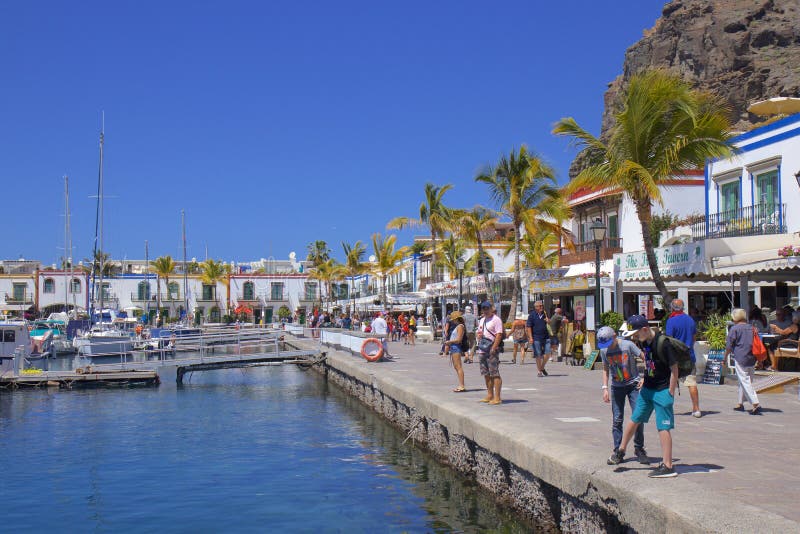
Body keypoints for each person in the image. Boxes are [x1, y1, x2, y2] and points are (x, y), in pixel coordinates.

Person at [608, 315, 678, 478]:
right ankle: (621, 451)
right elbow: (649, 363)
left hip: (662, 390)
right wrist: (645, 378)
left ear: (645, 329)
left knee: (663, 426)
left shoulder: (663, 343)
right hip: (648, 389)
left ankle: (668, 465)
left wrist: (671, 391)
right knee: (635, 418)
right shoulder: (644, 341)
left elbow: (674, 368)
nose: (634, 338)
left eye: (636, 334)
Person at [597, 326, 648, 465]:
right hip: (616, 387)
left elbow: (645, 357)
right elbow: (605, 368)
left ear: (614, 336)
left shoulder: (628, 345)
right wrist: (605, 388)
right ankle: (618, 450)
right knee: (617, 419)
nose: (607, 346)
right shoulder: (604, 350)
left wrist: (645, 377)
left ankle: (639, 448)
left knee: (638, 416)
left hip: (633, 385)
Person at [665, 299, 701, 418]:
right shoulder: (690, 320)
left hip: (675, 357)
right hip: (689, 356)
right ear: (683, 307)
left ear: (672, 307)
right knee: (692, 383)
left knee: (671, 383)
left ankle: (668, 409)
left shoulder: (671, 321)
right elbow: (694, 337)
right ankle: (696, 409)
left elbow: (668, 340)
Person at [727, 308, 762, 415]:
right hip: (752, 357)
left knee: (745, 381)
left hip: (740, 357)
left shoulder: (734, 329)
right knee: (747, 381)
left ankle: (755, 403)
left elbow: (729, 345)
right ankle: (740, 403)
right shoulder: (752, 328)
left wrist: (724, 357)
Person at [476, 301, 504, 405]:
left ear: (492, 308)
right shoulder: (482, 320)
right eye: (484, 309)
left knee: (494, 373)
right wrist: (478, 335)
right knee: (486, 373)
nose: (486, 310)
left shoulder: (496, 319)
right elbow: (480, 331)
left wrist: (494, 347)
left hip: (492, 349)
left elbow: (499, 334)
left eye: (487, 308)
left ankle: (497, 397)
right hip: (482, 349)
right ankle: (489, 395)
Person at [526, 301, 550, 377]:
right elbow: (529, 327)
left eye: (542, 306)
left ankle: (542, 367)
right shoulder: (532, 315)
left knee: (548, 353)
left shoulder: (545, 314)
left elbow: (549, 324)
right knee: (538, 354)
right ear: (536, 307)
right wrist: (530, 338)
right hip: (536, 337)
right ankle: (539, 371)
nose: (541, 307)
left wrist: (548, 321)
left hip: (546, 336)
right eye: (539, 306)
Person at [444, 311, 467, 392]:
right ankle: (460, 384)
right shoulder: (458, 326)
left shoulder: (460, 326)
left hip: (456, 347)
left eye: (453, 319)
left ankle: (462, 385)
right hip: (453, 347)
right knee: (456, 367)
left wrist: (449, 342)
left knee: (458, 367)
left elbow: (459, 340)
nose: (452, 321)